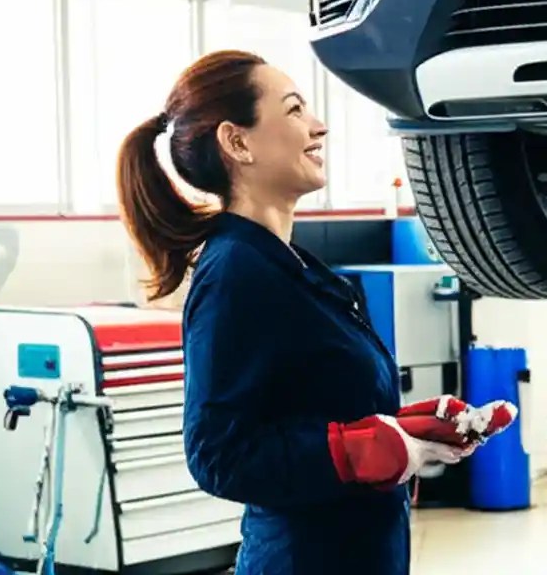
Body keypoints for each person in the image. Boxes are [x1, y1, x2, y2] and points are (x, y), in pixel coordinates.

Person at [114, 49, 479, 574]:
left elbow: (310, 411)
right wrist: (360, 449)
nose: (318, 126)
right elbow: (219, 454)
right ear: (237, 142)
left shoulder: (288, 264)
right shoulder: (237, 272)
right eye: (293, 110)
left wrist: (407, 430)